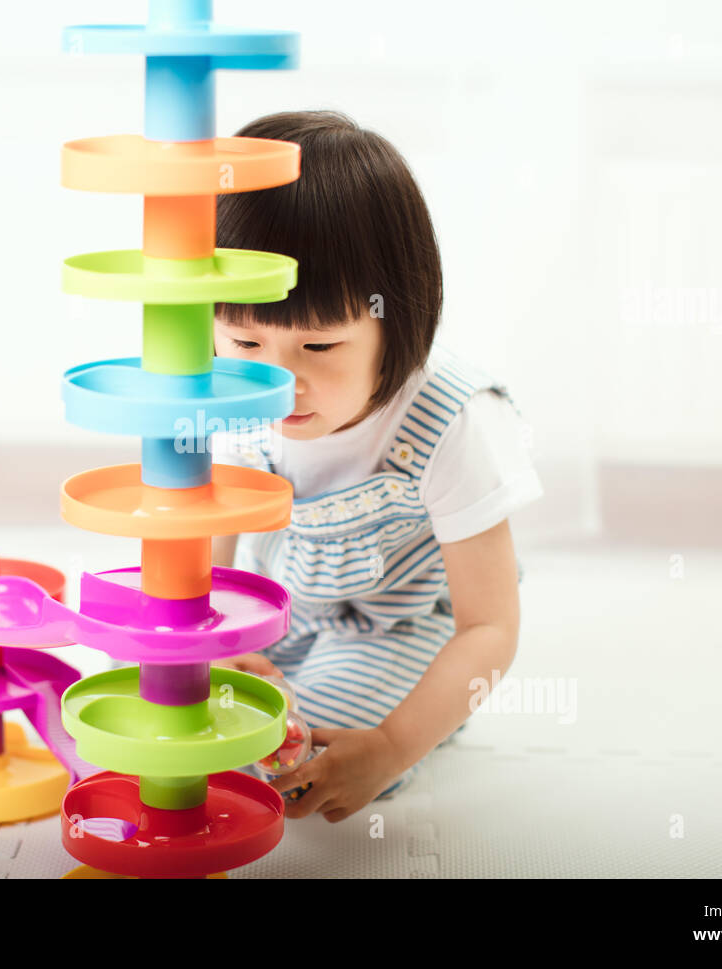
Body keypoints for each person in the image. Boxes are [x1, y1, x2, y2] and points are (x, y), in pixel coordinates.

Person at [208, 110, 544, 823]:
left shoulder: (452, 420)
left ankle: (423, 726)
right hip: (282, 620)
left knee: (298, 763)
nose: (279, 382)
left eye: (320, 347)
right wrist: (214, 649)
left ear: (402, 318)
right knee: (171, 719)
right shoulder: (225, 391)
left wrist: (391, 745)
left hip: (400, 633)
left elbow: (489, 628)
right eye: (243, 340)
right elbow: (209, 562)